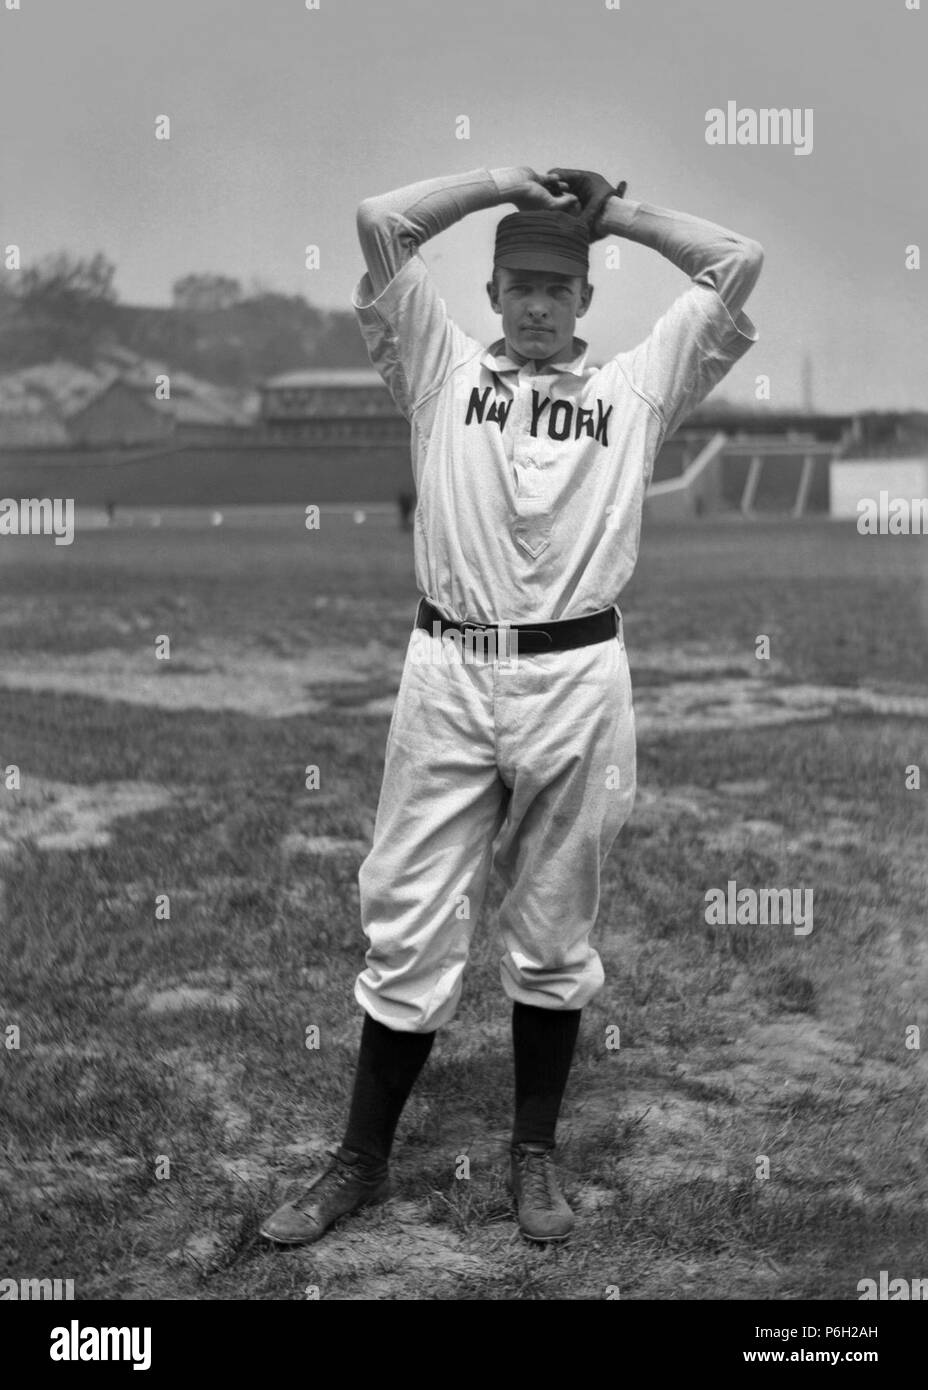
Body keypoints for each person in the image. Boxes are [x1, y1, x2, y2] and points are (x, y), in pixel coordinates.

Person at [261, 164, 763, 1246]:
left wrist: (613, 216)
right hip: (445, 671)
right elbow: (379, 223)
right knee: (405, 918)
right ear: (490, 292)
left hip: (578, 680)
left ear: (586, 298)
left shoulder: (635, 390)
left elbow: (736, 266)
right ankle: (359, 1160)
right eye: (518, 284)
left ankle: (533, 1161)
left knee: (551, 927)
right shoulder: (438, 367)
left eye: (558, 286)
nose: (537, 304)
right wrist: (498, 182)